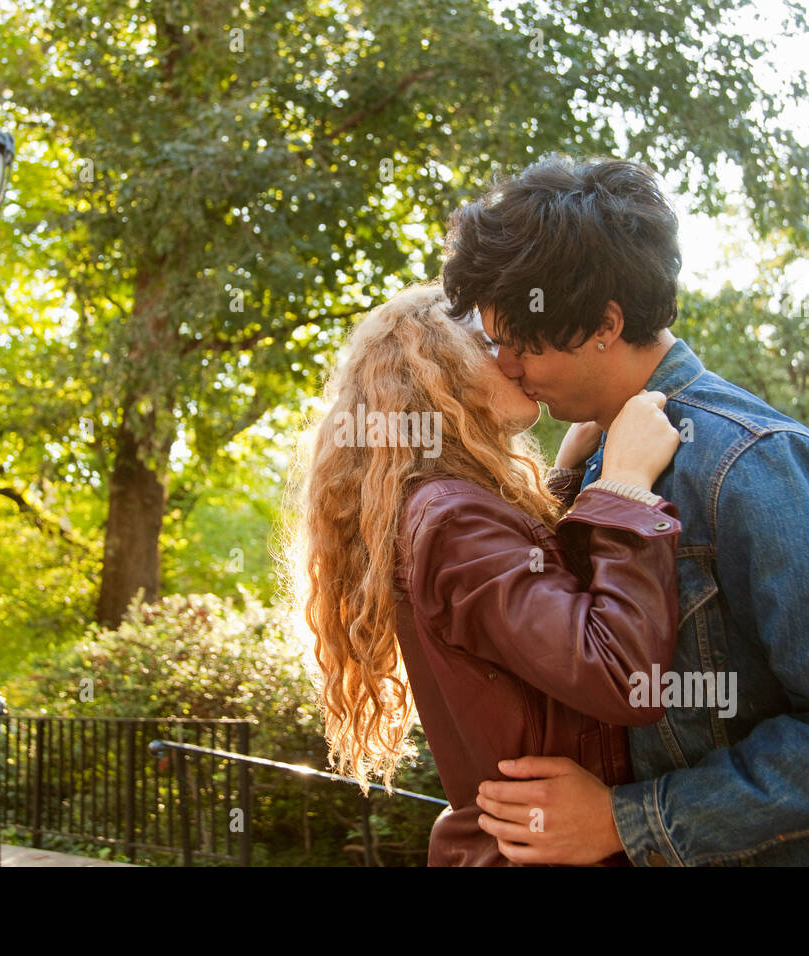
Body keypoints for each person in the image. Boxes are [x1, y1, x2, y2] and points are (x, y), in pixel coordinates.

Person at [442, 155, 809, 866]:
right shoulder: (607, 458)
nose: (507, 366)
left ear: (604, 324)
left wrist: (625, 822)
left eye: (520, 343)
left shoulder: (753, 463)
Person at [288, 283, 684, 865]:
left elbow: (523, 605)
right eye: (491, 343)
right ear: (436, 375)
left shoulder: (439, 507)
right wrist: (624, 487)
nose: (515, 355)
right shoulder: (451, 519)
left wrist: (569, 479)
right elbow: (624, 673)